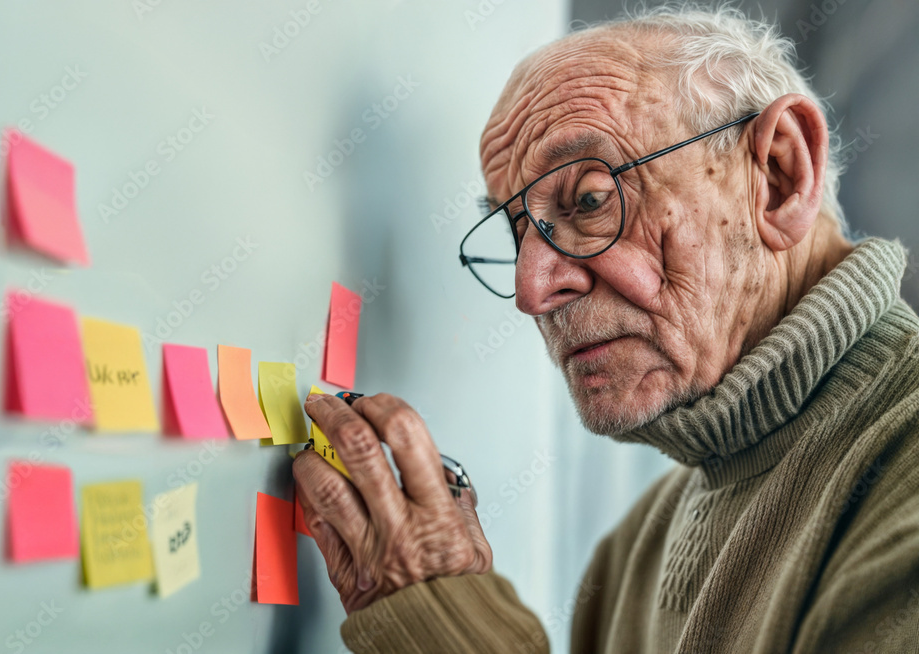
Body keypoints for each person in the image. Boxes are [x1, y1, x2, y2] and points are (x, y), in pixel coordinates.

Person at [293, 5, 919, 653]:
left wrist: (444, 622)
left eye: (591, 200)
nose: (532, 290)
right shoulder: (635, 549)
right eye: (517, 233)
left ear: (781, 176)